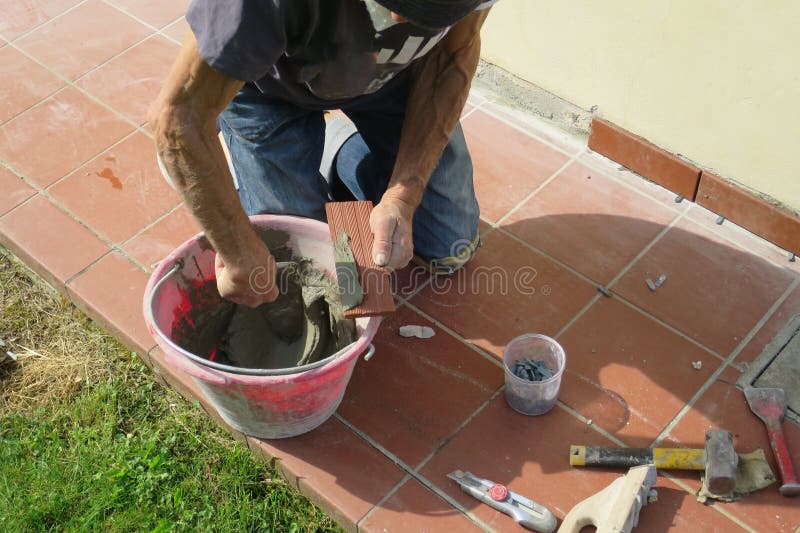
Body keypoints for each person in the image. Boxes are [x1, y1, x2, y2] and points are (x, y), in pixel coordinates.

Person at [151, 0, 494, 308]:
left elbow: (453, 55)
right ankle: (238, 150)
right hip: (267, 91)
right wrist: (238, 250)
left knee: (448, 247)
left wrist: (403, 196)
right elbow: (179, 118)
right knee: (300, 266)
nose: (400, 17)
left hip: (387, 81)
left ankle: (333, 146)